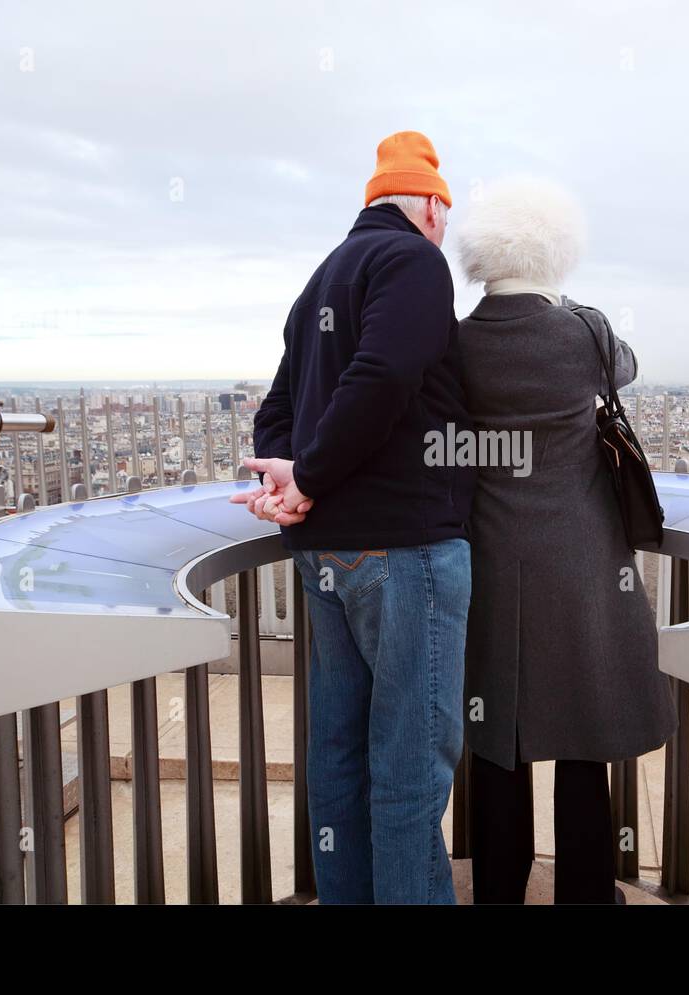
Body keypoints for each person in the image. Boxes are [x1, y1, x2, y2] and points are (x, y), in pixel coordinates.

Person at [232, 131, 476, 904]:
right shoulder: (413, 262)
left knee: (339, 758)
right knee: (408, 770)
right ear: (431, 205)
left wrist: (291, 483)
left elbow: (277, 407)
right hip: (404, 546)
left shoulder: (320, 280)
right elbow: (385, 373)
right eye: (445, 209)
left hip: (327, 553)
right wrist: (305, 475)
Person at [453, 178, 677, 904]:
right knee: (584, 735)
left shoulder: (458, 341)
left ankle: (498, 891)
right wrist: (571, 305)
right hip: (581, 557)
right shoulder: (582, 330)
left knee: (499, 742)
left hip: (489, 554)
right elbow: (626, 370)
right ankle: (587, 892)